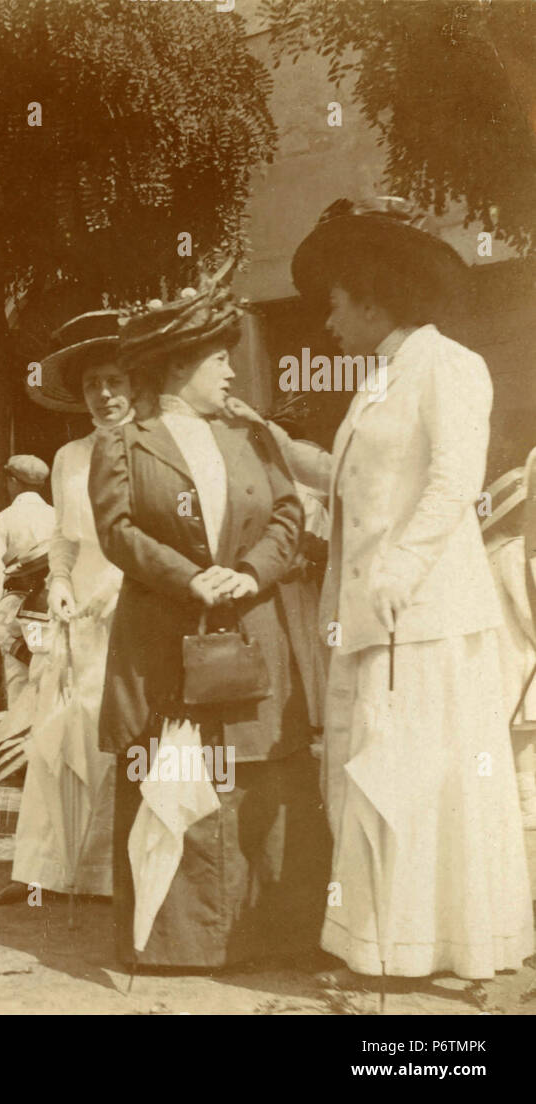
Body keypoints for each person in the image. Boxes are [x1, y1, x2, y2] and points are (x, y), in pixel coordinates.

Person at [283, 197, 533, 982]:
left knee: (424, 777)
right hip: (375, 618)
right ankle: (383, 942)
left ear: (373, 297)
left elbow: (455, 481)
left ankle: (442, 945)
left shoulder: (449, 365)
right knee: (379, 772)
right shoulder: (379, 382)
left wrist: (396, 572)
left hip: (426, 617)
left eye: (336, 305)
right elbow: (359, 493)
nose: (327, 324)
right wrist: (274, 443)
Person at [91, 270, 330, 968]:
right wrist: (191, 577)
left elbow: (289, 512)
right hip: (165, 638)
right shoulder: (125, 442)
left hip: (251, 630)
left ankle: (268, 936)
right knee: (178, 772)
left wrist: (251, 570)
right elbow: (118, 530)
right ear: (179, 364)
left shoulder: (251, 433)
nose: (232, 370)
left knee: (260, 775)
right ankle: (177, 946)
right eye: (219, 358)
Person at [2, 310, 133, 902]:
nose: (104, 395)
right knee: (61, 729)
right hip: (76, 611)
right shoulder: (69, 457)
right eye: (91, 386)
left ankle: (110, 872)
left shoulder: (153, 449)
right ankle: (53, 868)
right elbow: (67, 536)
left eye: (113, 380)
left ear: (134, 381)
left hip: (132, 606)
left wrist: (119, 587)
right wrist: (57, 579)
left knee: (115, 728)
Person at [480, 459, 536, 827]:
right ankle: (528, 803)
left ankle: (520, 799)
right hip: (519, 654)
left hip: (496, 655)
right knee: (527, 738)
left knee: (515, 733)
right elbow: (527, 606)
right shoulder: (514, 551)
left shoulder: (487, 552)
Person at [0, 455, 55, 711]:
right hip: (48, 599)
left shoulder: (6, 517)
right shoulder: (54, 515)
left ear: (13, 481)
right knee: (43, 664)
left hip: (14, 600)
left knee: (17, 673)